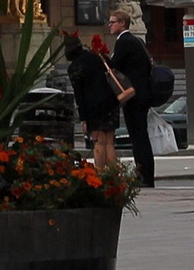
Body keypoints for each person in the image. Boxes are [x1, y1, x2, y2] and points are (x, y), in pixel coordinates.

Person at [105, 10, 158, 188]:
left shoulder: (124, 41)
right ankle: (146, 175)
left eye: (113, 22)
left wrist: (101, 57)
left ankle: (143, 176)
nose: (110, 25)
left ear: (122, 23)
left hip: (133, 96)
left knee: (138, 137)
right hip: (142, 94)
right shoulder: (136, 40)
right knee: (140, 135)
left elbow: (114, 66)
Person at [67, 35, 122, 175]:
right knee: (110, 141)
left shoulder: (74, 67)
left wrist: (83, 118)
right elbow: (113, 68)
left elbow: (79, 95)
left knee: (98, 142)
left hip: (92, 107)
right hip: (110, 101)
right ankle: (114, 176)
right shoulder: (97, 56)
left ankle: (101, 174)